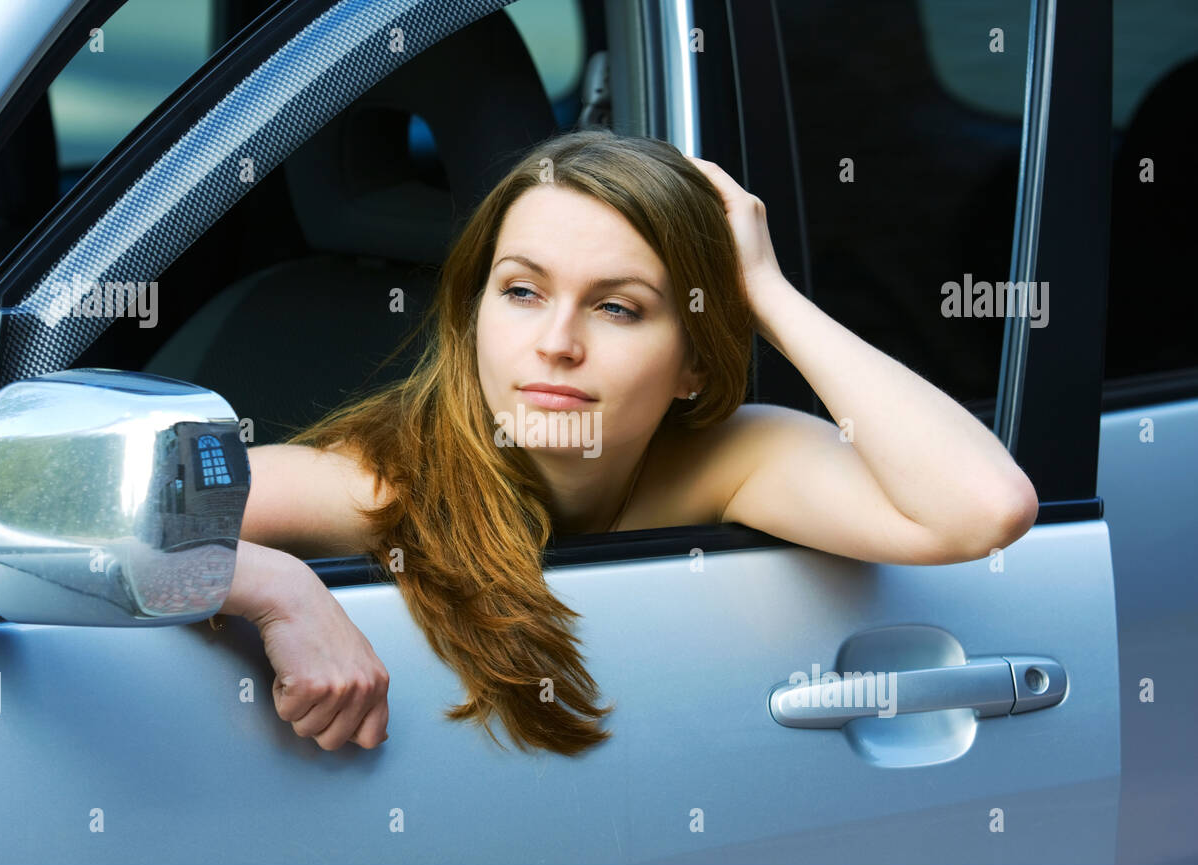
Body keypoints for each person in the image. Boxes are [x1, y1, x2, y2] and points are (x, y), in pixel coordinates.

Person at [218, 128, 1039, 757]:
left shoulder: (723, 460)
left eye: (618, 307)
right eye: (522, 292)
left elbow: (983, 509)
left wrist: (767, 292)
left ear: (692, 362)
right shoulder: (375, 484)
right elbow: (109, 509)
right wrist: (275, 587)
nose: (557, 343)